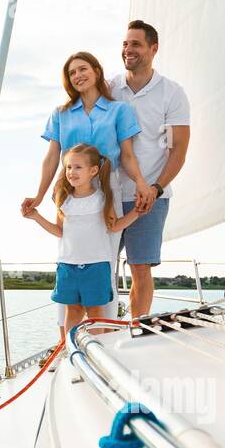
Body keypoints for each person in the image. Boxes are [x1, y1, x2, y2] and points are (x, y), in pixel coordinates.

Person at [108, 20, 191, 320]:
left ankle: (136, 328)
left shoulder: (171, 93)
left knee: (140, 268)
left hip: (152, 196)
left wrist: (155, 189)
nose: (128, 50)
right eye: (125, 44)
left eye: (136, 44)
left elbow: (178, 150)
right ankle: (99, 328)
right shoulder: (110, 88)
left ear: (153, 49)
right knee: (99, 265)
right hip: (109, 194)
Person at [24, 143, 142, 341]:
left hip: (96, 264)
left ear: (93, 171)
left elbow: (114, 226)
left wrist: (137, 212)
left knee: (95, 311)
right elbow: (59, 231)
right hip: (68, 265)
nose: (71, 172)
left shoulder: (103, 198)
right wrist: (36, 217)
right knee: (73, 309)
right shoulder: (64, 200)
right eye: (69, 167)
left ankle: (97, 348)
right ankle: (73, 346)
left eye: (78, 167)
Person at [21, 51, 155, 222]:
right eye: (72, 73)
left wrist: (140, 182)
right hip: (71, 187)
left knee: (108, 244)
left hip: (108, 186)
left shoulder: (120, 110)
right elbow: (51, 158)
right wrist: (39, 196)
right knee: (73, 243)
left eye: (83, 69)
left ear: (97, 72)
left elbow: (127, 155)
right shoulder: (60, 114)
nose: (78, 75)